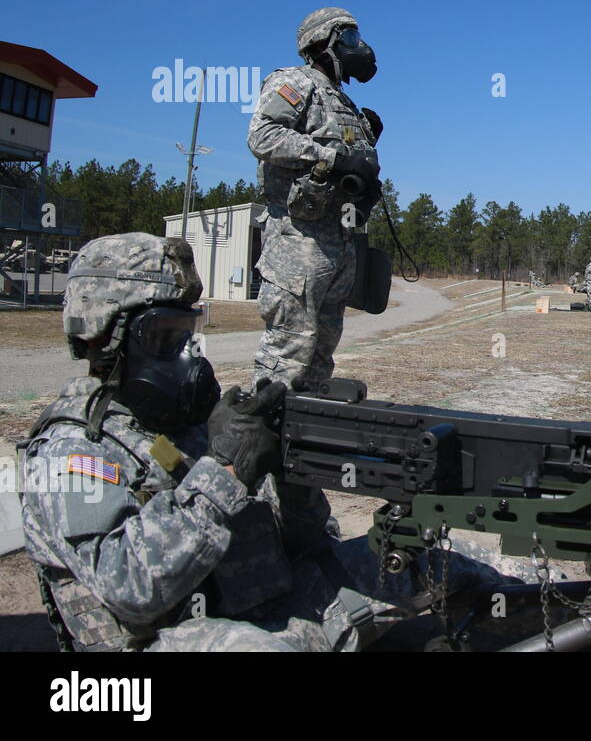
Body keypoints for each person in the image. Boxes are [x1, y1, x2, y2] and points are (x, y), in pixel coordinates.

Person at [19, 233, 515, 651]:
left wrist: (293, 478)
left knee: (429, 560)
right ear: (101, 337)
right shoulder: (73, 450)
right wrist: (225, 470)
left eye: (186, 334)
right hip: (172, 638)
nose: (185, 357)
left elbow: (297, 541)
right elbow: (130, 587)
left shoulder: (187, 422)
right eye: (163, 339)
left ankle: (573, 614)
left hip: (269, 605)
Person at [247, 7, 382, 393]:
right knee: (287, 353)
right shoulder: (294, 83)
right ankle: (262, 437)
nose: (361, 47)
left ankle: (305, 437)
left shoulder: (341, 101)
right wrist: (332, 157)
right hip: (299, 241)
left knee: (321, 355)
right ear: (325, 41)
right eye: (351, 38)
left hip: (338, 241)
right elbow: (263, 136)